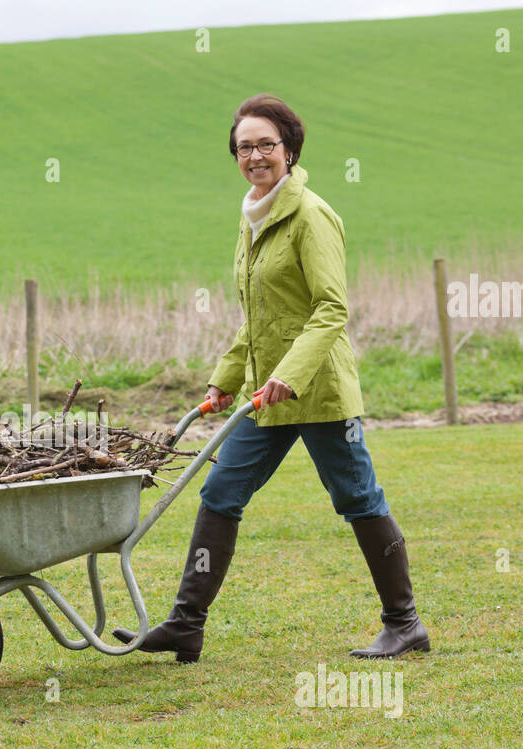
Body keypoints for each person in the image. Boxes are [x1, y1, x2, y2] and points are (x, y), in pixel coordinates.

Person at [114, 93, 431, 663]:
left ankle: (404, 624)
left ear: (289, 149)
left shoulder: (311, 216)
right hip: (268, 396)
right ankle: (186, 624)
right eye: (244, 147)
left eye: (266, 144)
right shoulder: (252, 216)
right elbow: (257, 315)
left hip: (320, 391)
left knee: (358, 498)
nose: (255, 155)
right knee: (220, 491)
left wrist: (290, 374)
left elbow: (331, 308)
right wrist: (225, 379)